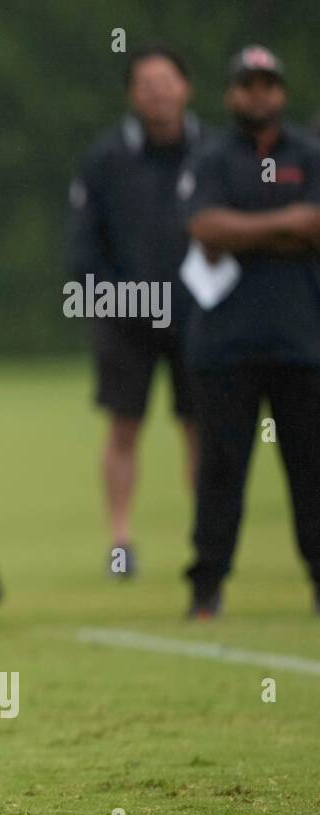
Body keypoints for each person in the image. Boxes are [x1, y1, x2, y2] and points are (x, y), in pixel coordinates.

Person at [179, 45, 320, 619]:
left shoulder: (309, 154)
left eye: (267, 84)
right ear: (230, 93)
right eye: (246, 84)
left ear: (281, 93)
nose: (257, 94)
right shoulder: (211, 157)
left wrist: (246, 230)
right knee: (220, 473)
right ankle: (206, 586)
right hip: (226, 344)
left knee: (312, 470)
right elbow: (205, 227)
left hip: (303, 340)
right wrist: (286, 227)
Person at [67, 44, 203, 578]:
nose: (157, 92)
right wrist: (117, 298)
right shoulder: (105, 161)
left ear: (186, 87)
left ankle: (204, 540)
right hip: (127, 315)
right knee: (124, 427)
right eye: (146, 84)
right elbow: (83, 249)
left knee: (201, 427)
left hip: (198, 313)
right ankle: (121, 542)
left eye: (166, 81)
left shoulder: (213, 152)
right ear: (131, 94)